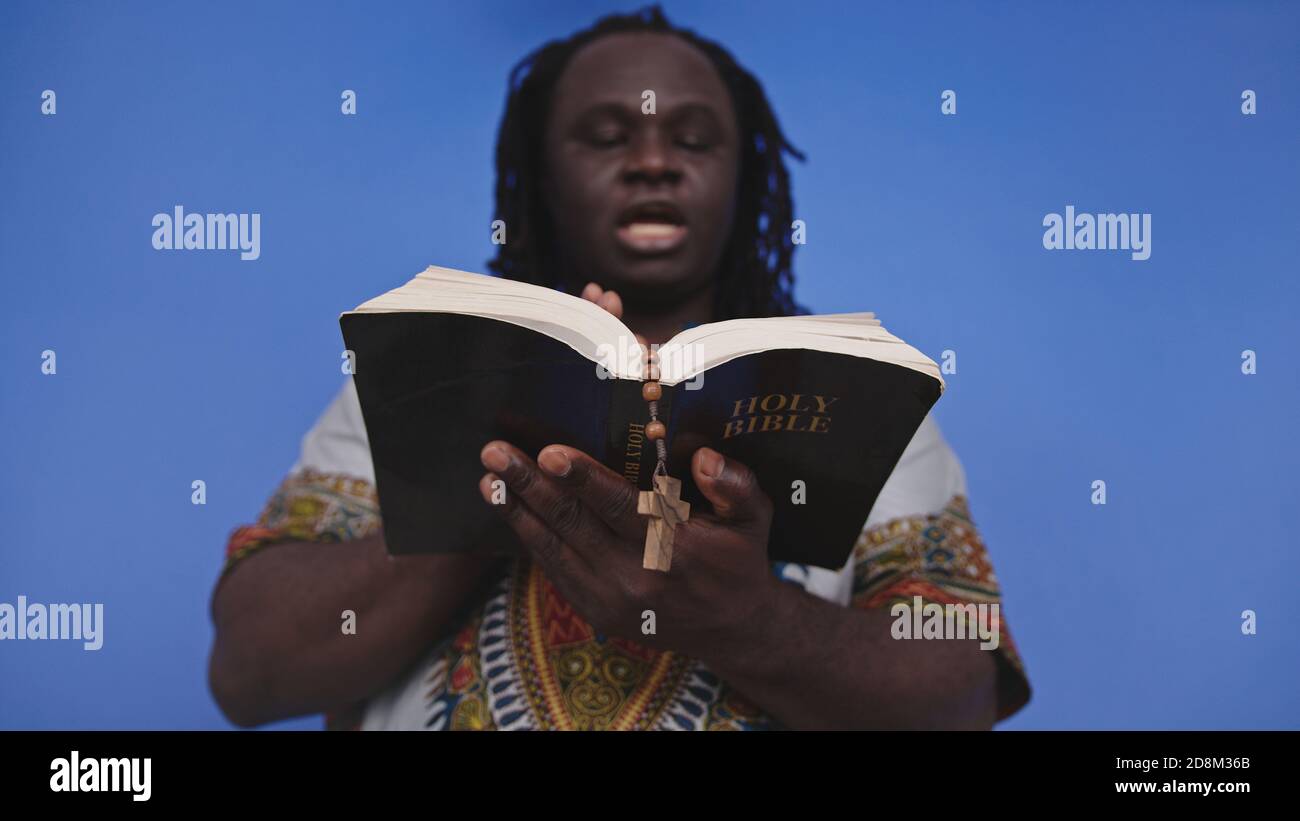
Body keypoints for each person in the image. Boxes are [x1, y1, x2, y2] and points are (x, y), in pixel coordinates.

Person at [207, 5, 1030, 730]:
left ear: (745, 181)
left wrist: (744, 618)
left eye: (696, 139)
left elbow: (960, 690)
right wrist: (502, 473)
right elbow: (248, 668)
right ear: (539, 177)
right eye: (606, 137)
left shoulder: (851, 396)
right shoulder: (413, 386)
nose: (652, 160)